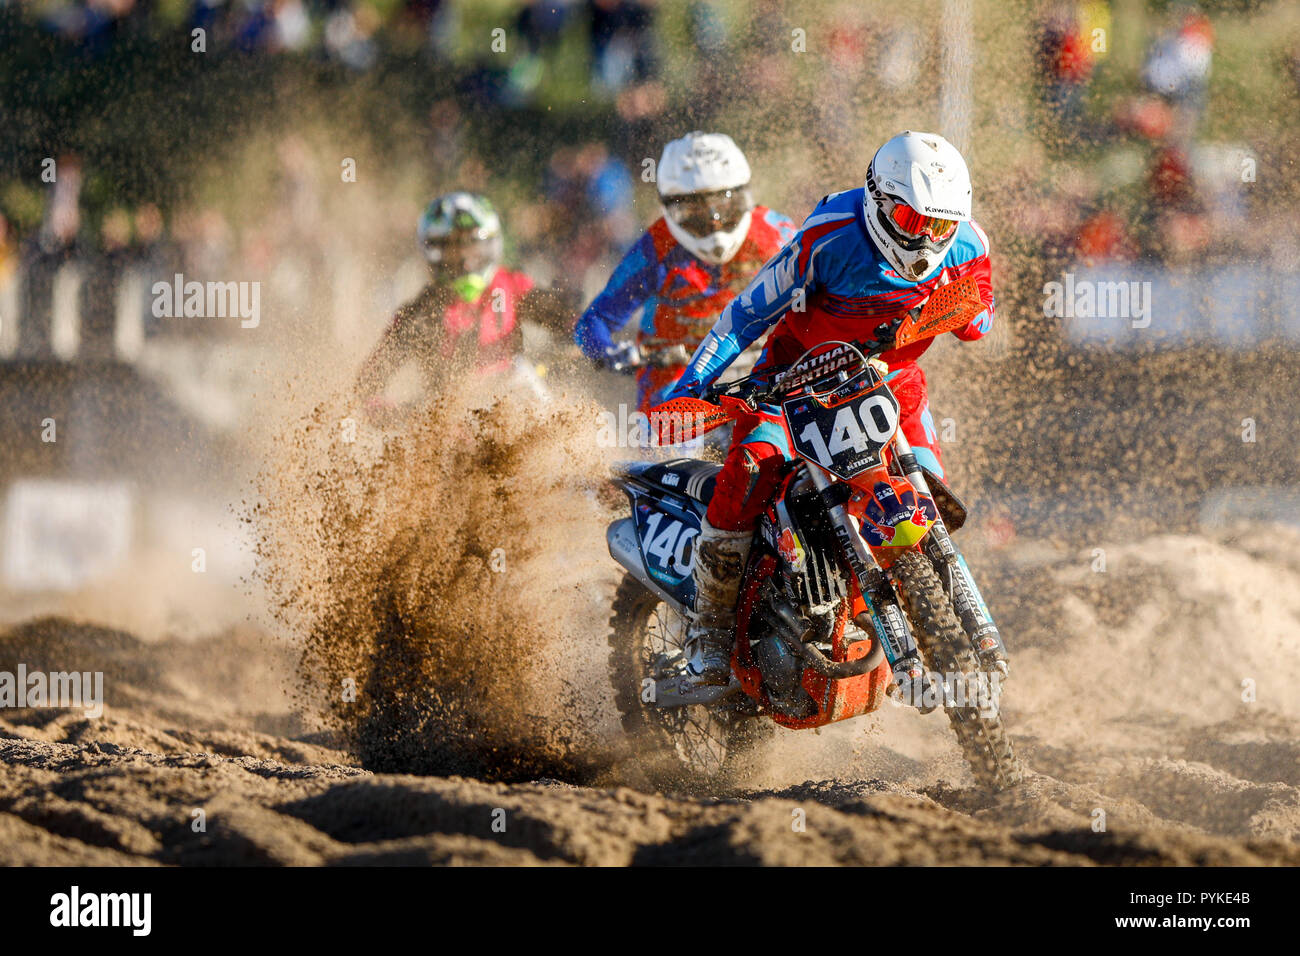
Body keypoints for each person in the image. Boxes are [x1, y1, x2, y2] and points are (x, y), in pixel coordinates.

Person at [664, 131, 997, 685]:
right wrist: (694, 382)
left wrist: (947, 313)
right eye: (914, 222)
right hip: (795, 379)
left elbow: (978, 323)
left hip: (891, 380)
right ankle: (711, 632)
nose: (928, 239)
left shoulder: (968, 245)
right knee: (748, 468)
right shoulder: (828, 236)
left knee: (933, 492)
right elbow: (746, 314)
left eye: (940, 226)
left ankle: (911, 613)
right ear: (879, 198)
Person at [573, 131, 795, 418]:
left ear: (745, 195)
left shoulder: (777, 234)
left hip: (764, 367)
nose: (714, 222)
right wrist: (612, 353)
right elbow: (593, 321)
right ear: (669, 206)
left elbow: (824, 286)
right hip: (676, 375)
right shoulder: (655, 249)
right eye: (695, 209)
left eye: (724, 205)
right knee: (673, 446)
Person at [356, 191, 571, 411]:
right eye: (452, 250)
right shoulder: (419, 314)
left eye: (472, 247)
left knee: (524, 378)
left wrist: (579, 332)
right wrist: (395, 413)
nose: (465, 261)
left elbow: (564, 318)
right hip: (449, 421)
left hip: (515, 402)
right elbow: (369, 383)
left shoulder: (510, 286)